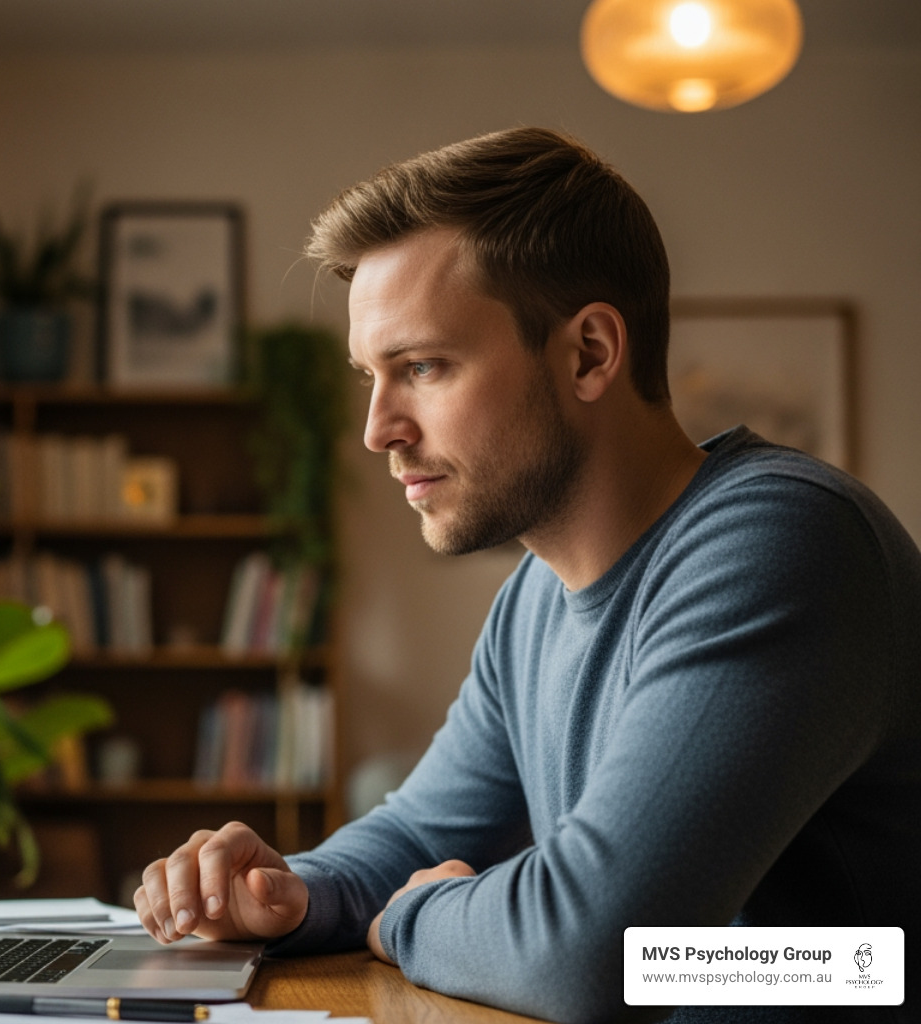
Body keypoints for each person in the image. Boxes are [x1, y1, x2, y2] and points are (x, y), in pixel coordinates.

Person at [132, 128, 921, 1023]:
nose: (379, 430)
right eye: (370, 378)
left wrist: (418, 916)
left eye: (422, 366)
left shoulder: (782, 545)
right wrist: (292, 894)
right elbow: (424, 832)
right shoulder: (538, 596)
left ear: (589, 353)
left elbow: (596, 952)